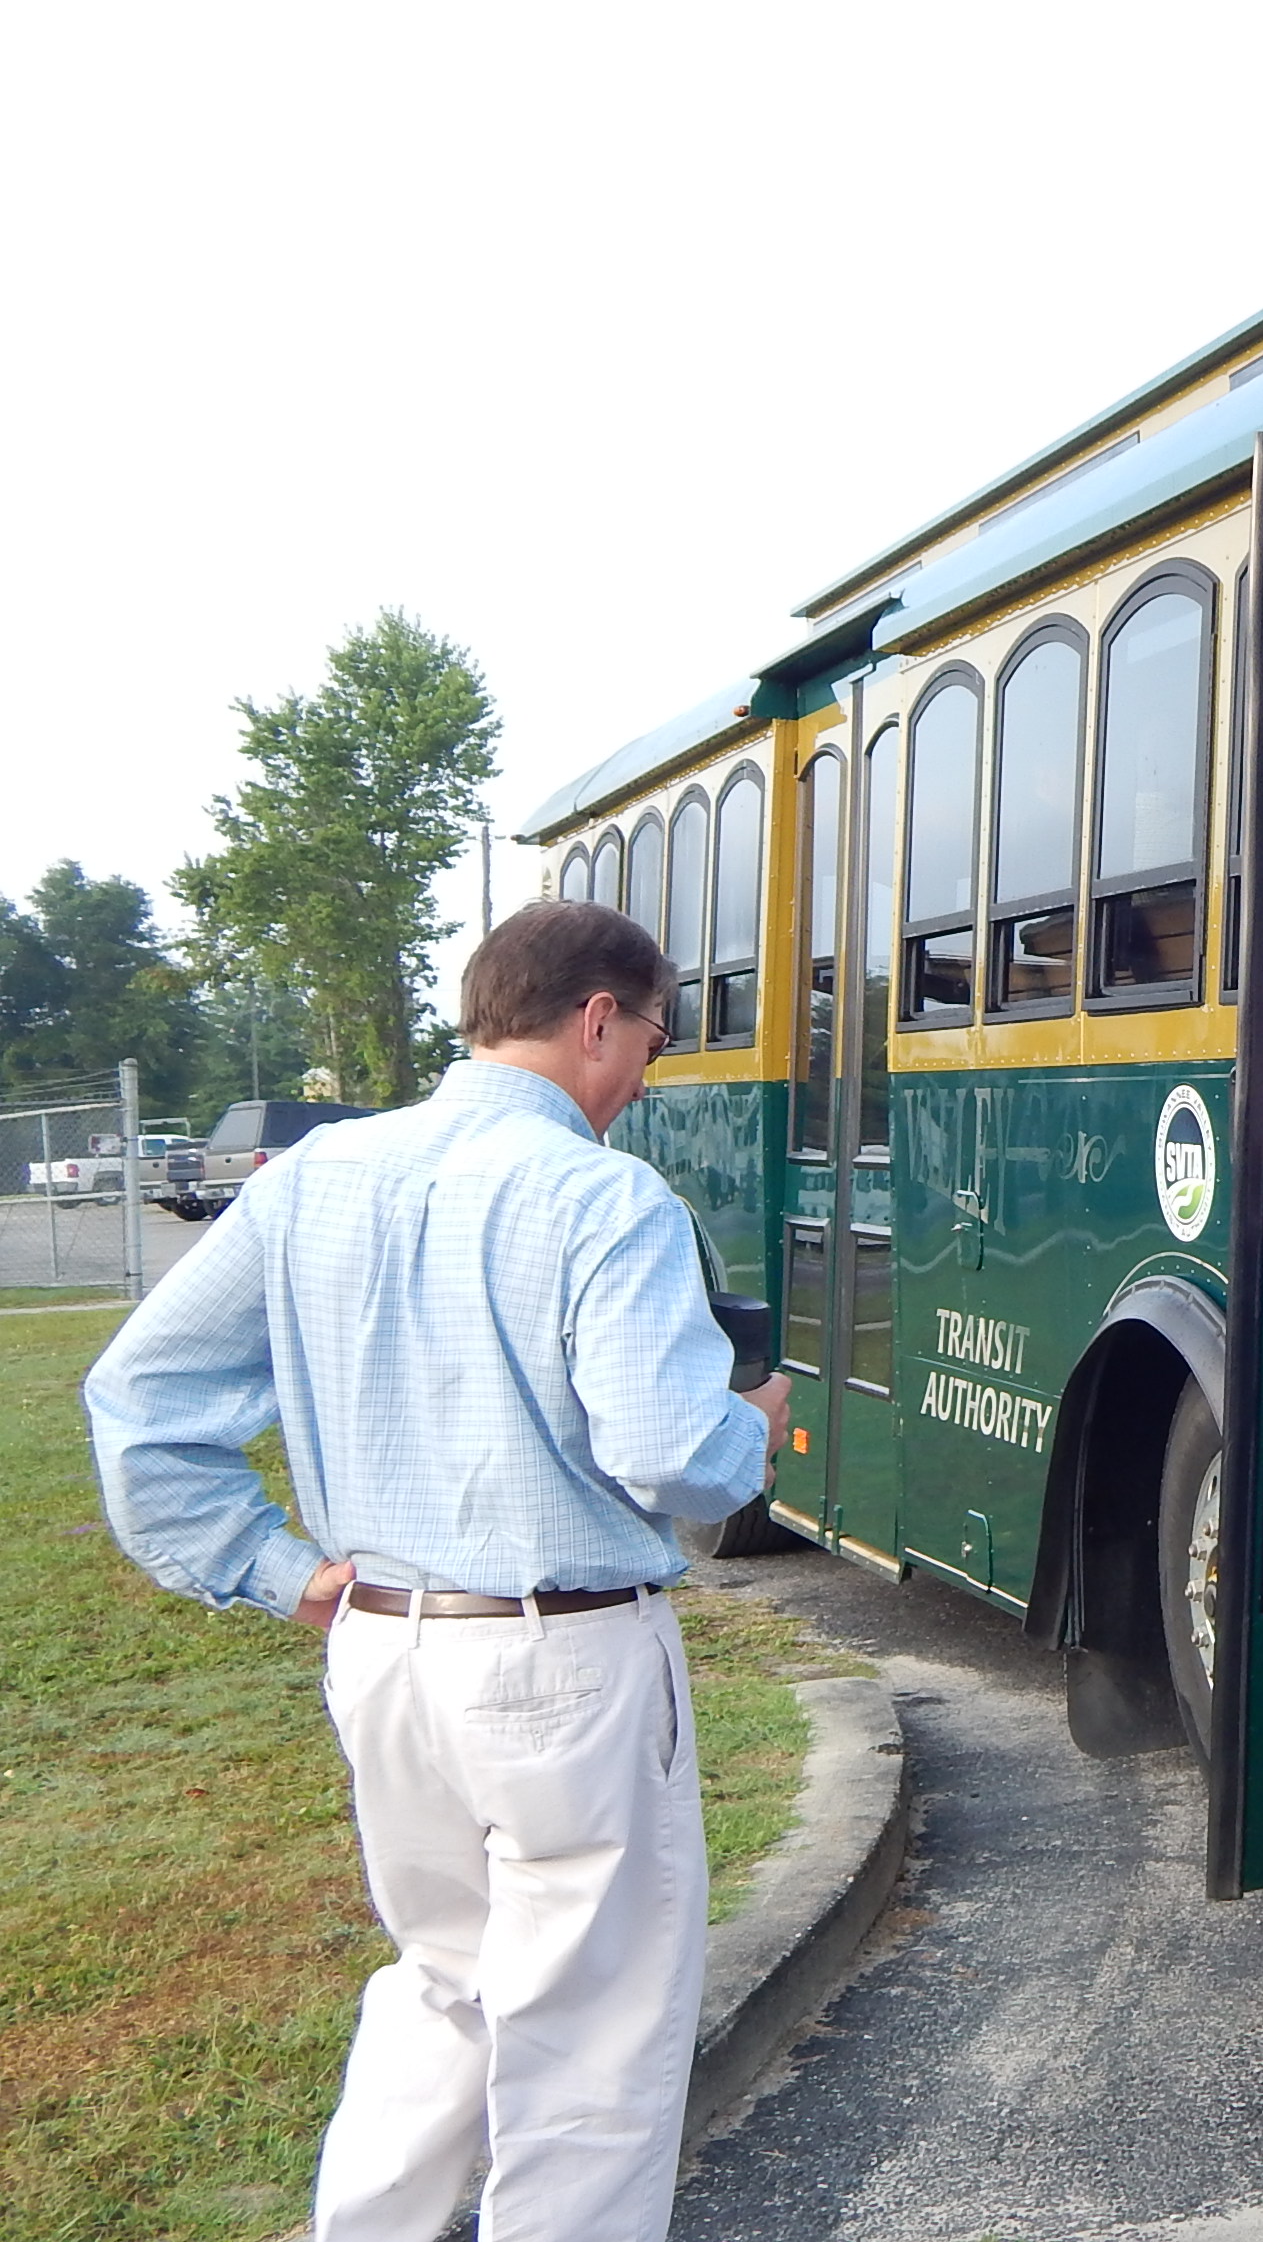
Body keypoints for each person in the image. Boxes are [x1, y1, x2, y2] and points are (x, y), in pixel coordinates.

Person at [84, 900, 784, 2242]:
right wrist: (748, 1428)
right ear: (597, 1019)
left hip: (383, 1644)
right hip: (567, 1656)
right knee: (592, 2041)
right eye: (653, 1038)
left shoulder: (312, 1177)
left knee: (439, 1985)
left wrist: (271, 1568)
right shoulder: (604, 1196)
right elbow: (669, 1457)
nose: (647, 1074)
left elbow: (143, 1401)